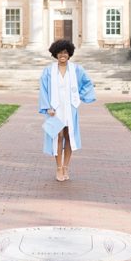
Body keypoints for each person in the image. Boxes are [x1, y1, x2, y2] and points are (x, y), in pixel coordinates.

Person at [38, 39, 96, 182]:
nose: (62, 55)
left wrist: (79, 96)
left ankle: (66, 167)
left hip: (70, 108)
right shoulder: (48, 70)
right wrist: (47, 107)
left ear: (69, 54)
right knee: (57, 137)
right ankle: (58, 168)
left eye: (65, 52)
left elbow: (87, 83)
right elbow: (43, 90)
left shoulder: (77, 69)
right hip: (55, 109)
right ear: (55, 54)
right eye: (60, 52)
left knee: (69, 137)